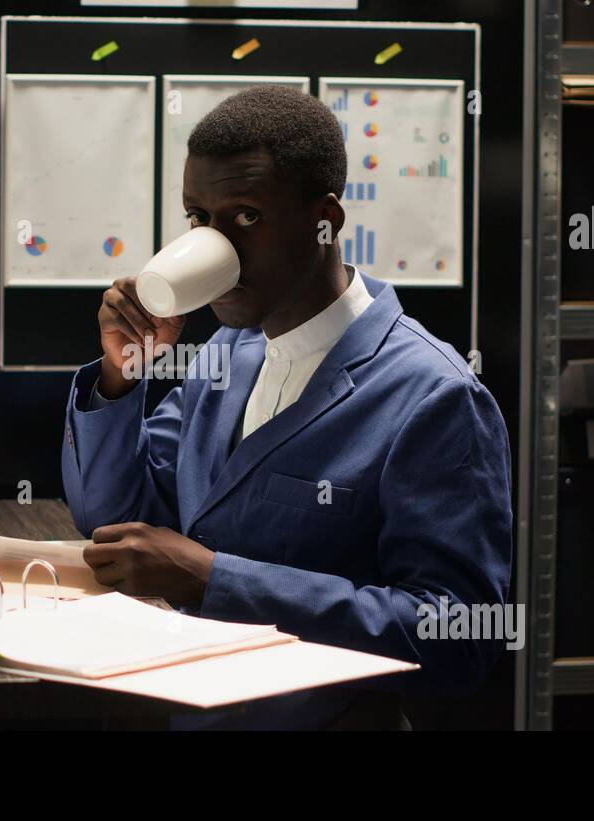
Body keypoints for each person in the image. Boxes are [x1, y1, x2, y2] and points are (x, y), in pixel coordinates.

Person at [60, 85, 512, 729]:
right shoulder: (228, 355)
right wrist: (121, 373)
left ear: (325, 219)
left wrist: (215, 582)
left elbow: (458, 639)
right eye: (199, 219)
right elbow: (111, 520)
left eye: (245, 216)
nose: (215, 247)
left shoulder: (434, 396)